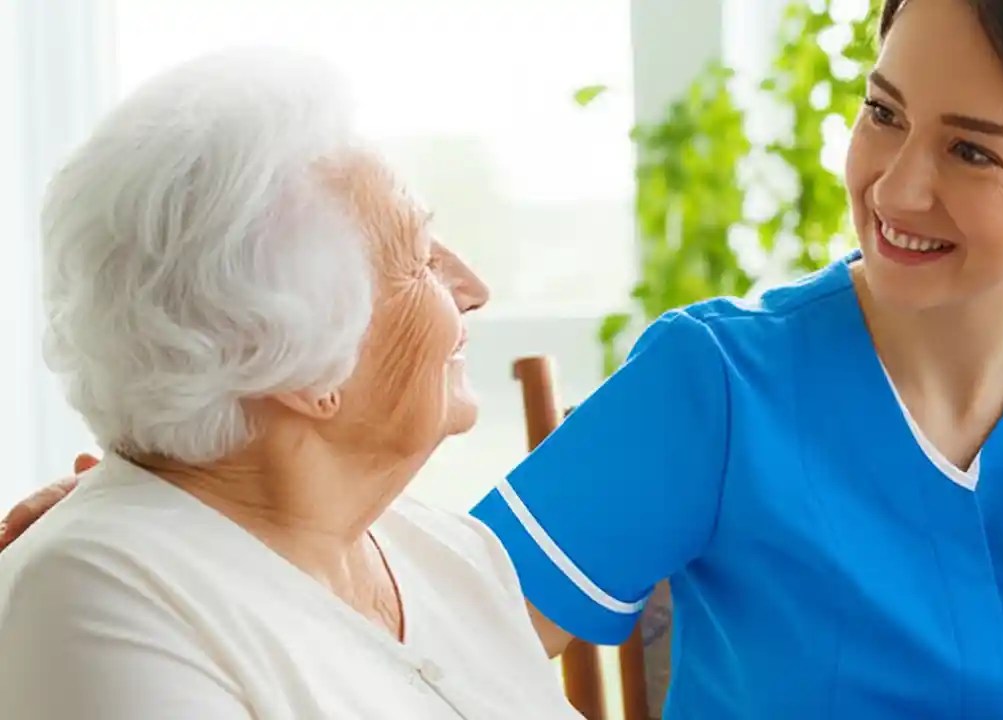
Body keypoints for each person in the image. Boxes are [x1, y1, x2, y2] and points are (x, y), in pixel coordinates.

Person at [5, 1, 1003, 718]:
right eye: (882, 113)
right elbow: (435, 623)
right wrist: (187, 524)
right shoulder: (716, 383)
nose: (894, 182)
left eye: (972, 150)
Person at [0, 49, 581, 719]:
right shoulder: (97, 599)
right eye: (421, 260)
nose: (474, 289)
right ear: (303, 369)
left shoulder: (454, 557)